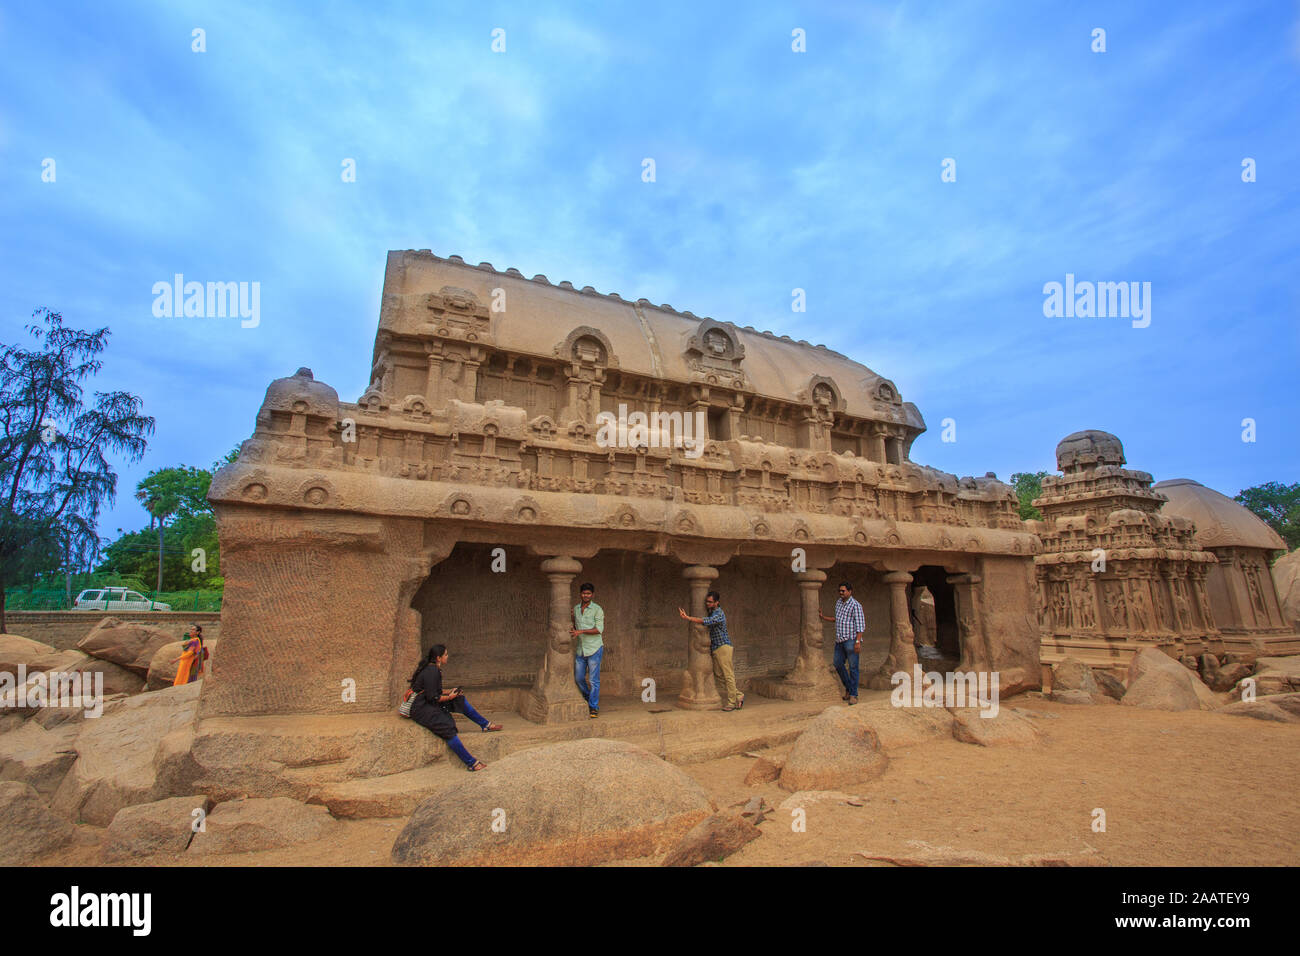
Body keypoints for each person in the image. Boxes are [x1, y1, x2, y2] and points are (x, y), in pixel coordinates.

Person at [407, 644, 501, 771]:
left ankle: (485, 724)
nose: (447, 656)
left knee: (459, 699)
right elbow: (433, 697)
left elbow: (434, 691)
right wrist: (449, 697)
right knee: (447, 728)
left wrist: (451, 692)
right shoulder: (432, 671)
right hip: (420, 708)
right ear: (438, 658)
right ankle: (471, 763)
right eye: (445, 654)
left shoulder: (434, 669)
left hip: (427, 702)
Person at [678, 590, 744, 711]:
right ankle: (738, 695)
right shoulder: (712, 612)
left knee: (728, 675)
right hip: (715, 648)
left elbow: (706, 622)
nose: (707, 604)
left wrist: (688, 618)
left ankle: (731, 703)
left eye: (710, 602)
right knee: (718, 676)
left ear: (717, 602)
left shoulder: (718, 614)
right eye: (706, 602)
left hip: (723, 647)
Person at [819, 581, 865, 704]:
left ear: (850, 591)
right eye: (839, 591)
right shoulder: (839, 603)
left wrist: (857, 642)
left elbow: (860, 626)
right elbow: (838, 619)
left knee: (853, 667)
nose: (841, 593)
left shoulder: (856, 605)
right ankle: (849, 688)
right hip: (840, 640)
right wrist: (824, 617)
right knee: (837, 663)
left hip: (851, 640)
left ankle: (853, 695)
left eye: (843, 591)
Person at [570, 582, 604, 718]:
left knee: (594, 680)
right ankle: (589, 699)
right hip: (581, 649)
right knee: (578, 678)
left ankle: (593, 707)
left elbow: (599, 630)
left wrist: (581, 631)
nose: (586, 595)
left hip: (594, 648)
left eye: (588, 593)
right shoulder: (576, 608)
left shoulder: (597, 609)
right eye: (584, 593)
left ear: (592, 595)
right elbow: (574, 626)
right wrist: (572, 620)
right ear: (580, 594)